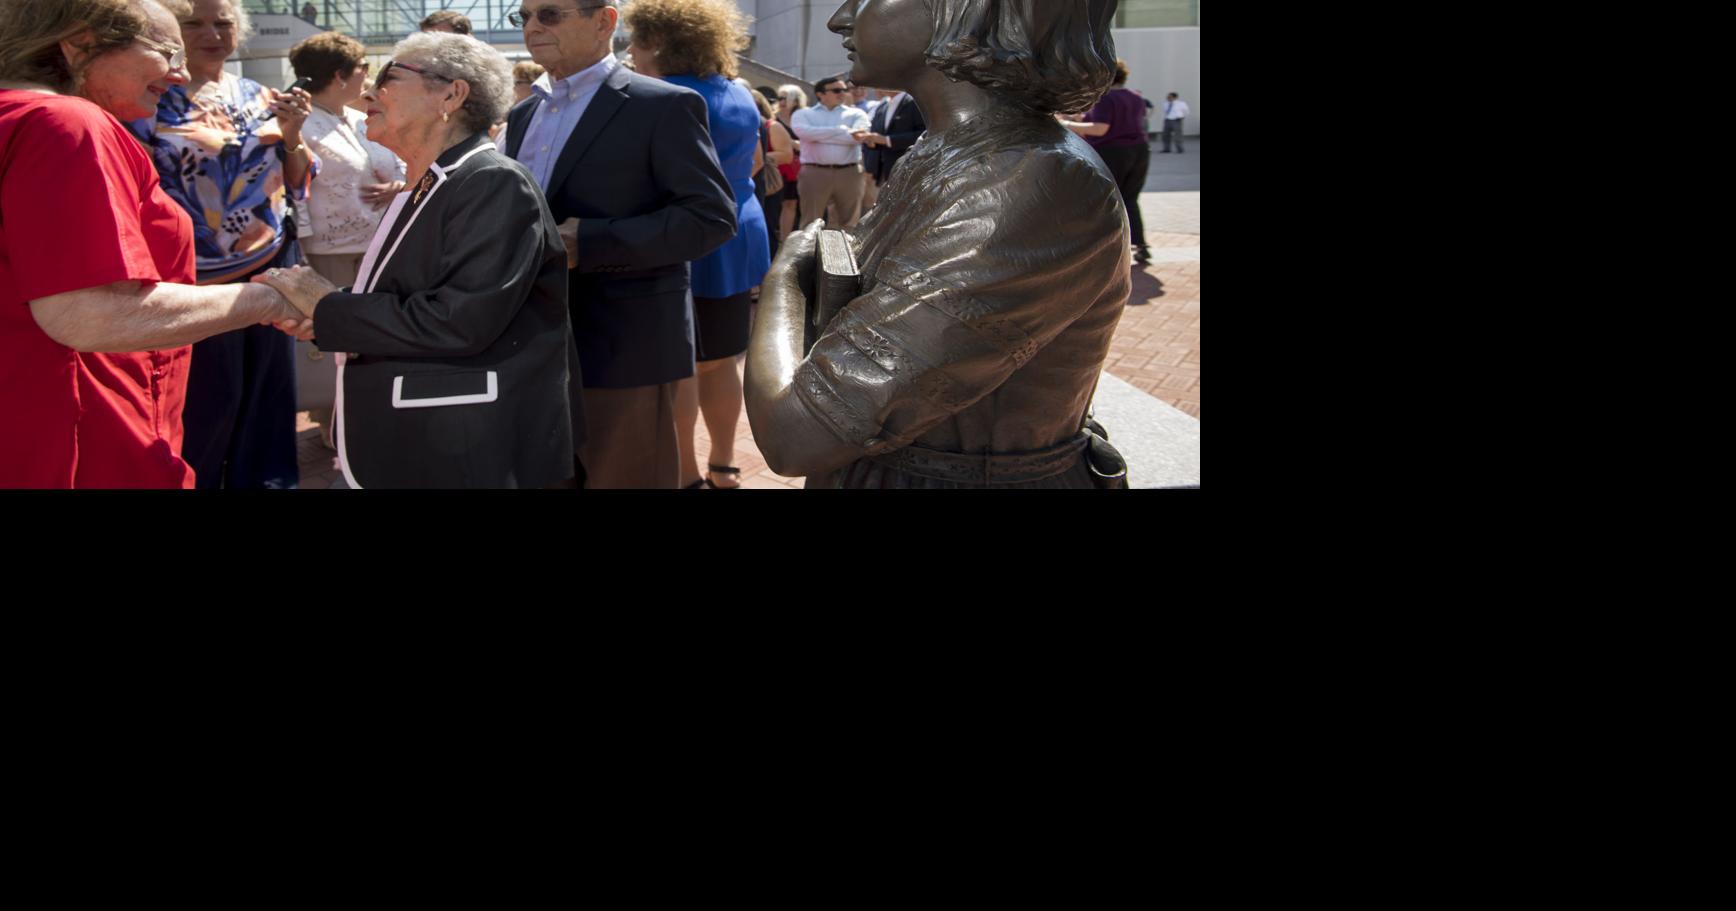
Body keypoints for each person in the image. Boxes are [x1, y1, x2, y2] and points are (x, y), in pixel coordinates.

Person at [745, 0, 1131, 489]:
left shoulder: (1025, 180)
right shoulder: (952, 150)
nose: (840, 17)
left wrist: (784, 280)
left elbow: (795, 433)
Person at [252, 32, 577, 489]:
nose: (368, 92)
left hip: (464, 449)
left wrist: (329, 306)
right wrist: (335, 311)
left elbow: (459, 320)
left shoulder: (493, 183)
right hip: (427, 438)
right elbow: (416, 294)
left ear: (452, 94)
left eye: (389, 77)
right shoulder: (434, 179)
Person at [0, 0, 300, 488]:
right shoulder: (66, 123)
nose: (180, 74)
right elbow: (88, 314)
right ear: (81, 44)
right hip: (80, 441)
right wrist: (270, 297)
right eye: (166, 51)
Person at [504, 0, 736, 489]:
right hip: (533, 342)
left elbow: (710, 219)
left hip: (621, 343)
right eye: (522, 17)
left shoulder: (662, 104)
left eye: (549, 14)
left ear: (604, 20)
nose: (531, 27)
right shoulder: (525, 114)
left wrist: (588, 240)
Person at [128, 0, 315, 489]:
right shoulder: (148, 98)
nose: (211, 34)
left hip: (268, 267)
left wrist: (293, 135)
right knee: (205, 406)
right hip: (189, 280)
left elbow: (295, 181)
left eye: (223, 23)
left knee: (269, 399)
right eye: (195, 23)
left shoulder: (261, 95)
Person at [623, 0, 772, 491]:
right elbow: (752, 162)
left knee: (680, 363)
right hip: (736, 230)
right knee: (723, 358)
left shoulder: (658, 96)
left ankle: (685, 472)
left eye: (636, 39)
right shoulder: (739, 93)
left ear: (659, 42)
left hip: (681, 236)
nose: (630, 50)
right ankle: (726, 464)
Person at [288, 31, 407, 447]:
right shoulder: (303, 124)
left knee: (373, 335)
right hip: (329, 249)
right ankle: (332, 423)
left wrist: (397, 186)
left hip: (377, 243)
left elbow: (400, 166)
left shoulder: (357, 119)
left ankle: (368, 414)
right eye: (363, 70)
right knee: (332, 340)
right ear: (341, 75)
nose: (368, 78)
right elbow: (294, 183)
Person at [1060, 60, 1151, 265]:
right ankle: (1141, 245)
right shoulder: (1135, 96)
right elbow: (1120, 120)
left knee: (1106, 199)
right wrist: (1080, 118)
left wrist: (1066, 123)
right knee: (1130, 198)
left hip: (1112, 151)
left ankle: (1105, 246)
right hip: (1139, 150)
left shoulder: (1105, 98)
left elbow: (1101, 128)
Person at [790, 73, 870, 229]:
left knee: (850, 224)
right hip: (814, 173)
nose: (842, 93)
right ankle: (809, 254)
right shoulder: (803, 114)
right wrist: (843, 131)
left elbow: (859, 136)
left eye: (844, 90)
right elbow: (803, 133)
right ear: (821, 94)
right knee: (810, 223)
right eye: (836, 90)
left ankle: (845, 254)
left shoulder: (857, 113)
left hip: (850, 173)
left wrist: (818, 135)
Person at [858, 85, 924, 217]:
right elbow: (877, 137)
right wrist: (870, 141)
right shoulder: (883, 106)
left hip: (906, 169)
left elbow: (923, 134)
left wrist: (887, 140)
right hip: (883, 172)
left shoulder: (914, 103)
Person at [773, 84, 806, 245]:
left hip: (798, 168)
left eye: (784, 98)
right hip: (777, 167)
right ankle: (777, 238)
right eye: (779, 98)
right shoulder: (773, 118)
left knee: (791, 203)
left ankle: (785, 241)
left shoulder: (803, 117)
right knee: (775, 203)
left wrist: (792, 143)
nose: (781, 101)